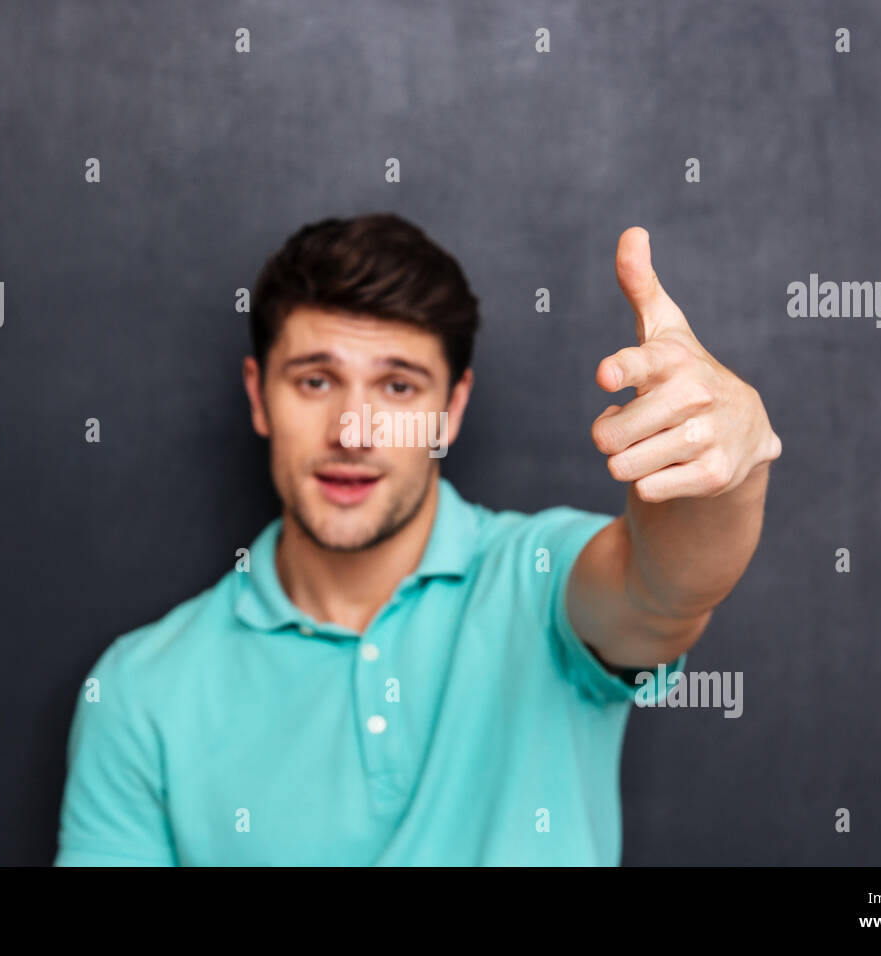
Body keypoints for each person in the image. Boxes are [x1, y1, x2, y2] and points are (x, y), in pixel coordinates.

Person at [53, 212, 781, 865]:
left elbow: (662, 594)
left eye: (398, 387)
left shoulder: (537, 581)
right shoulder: (138, 690)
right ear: (258, 394)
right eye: (314, 381)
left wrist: (731, 476)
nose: (353, 430)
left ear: (452, 408)